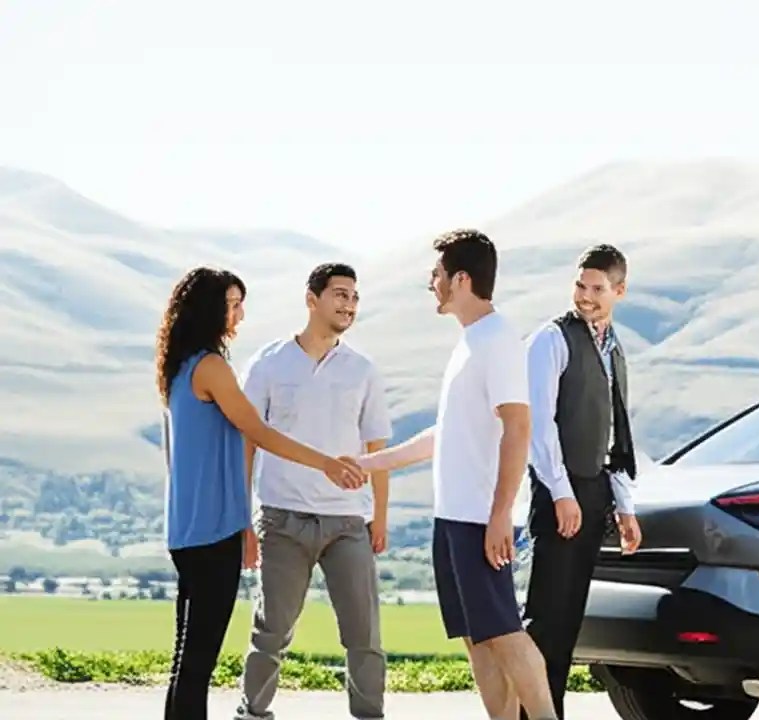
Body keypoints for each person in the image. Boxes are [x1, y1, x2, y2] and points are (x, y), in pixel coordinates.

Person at [357, 229, 560, 720]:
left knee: (505, 633)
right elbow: (445, 434)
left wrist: (499, 515)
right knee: (478, 639)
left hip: (478, 519)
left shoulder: (498, 339)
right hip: (451, 518)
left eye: (437, 274)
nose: (432, 282)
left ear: (461, 279)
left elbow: (518, 427)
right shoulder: (469, 342)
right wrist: (368, 465)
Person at [154, 266, 366, 720]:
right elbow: (259, 431)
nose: (240, 315)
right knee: (198, 662)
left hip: (186, 528)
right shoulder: (211, 367)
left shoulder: (178, 366)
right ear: (210, 309)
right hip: (214, 530)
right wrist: (326, 463)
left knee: (186, 661)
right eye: (233, 305)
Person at [235, 263, 394, 720]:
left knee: (364, 635)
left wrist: (380, 518)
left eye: (354, 297)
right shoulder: (268, 363)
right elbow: (247, 442)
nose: (349, 304)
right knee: (271, 632)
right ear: (312, 299)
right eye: (340, 294)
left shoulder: (363, 370)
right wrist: (243, 520)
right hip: (282, 518)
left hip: (348, 522)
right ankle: (252, 713)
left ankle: (369, 716)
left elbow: (377, 448)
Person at [521, 244, 642, 720]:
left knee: (569, 621)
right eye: (580, 285)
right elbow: (539, 425)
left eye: (597, 288)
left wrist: (624, 506)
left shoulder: (615, 349)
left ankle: (549, 713)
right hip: (559, 490)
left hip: (594, 493)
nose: (585, 296)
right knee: (546, 619)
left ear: (620, 291)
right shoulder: (551, 340)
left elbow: (615, 432)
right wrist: (562, 493)